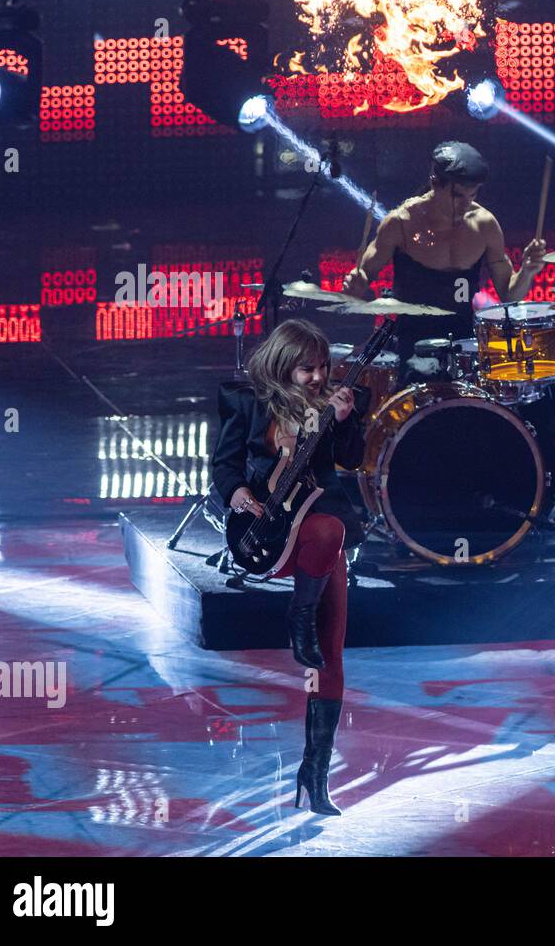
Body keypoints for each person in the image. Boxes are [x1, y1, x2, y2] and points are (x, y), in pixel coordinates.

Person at [211, 318, 370, 814]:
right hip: (269, 533)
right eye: (308, 369)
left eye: (324, 367)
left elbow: (350, 460)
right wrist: (237, 494)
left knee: (329, 657)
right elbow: (225, 464)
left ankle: (314, 776)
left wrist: (345, 422)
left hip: (320, 546)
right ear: (284, 366)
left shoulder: (330, 405)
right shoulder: (247, 401)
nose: (319, 377)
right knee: (328, 531)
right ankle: (297, 616)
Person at [342, 140, 547, 377]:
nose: (465, 204)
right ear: (435, 182)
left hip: (463, 345)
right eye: (458, 196)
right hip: (410, 345)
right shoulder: (400, 223)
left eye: (472, 195)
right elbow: (359, 283)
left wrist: (528, 271)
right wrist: (354, 287)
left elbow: (509, 295)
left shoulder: (484, 225)